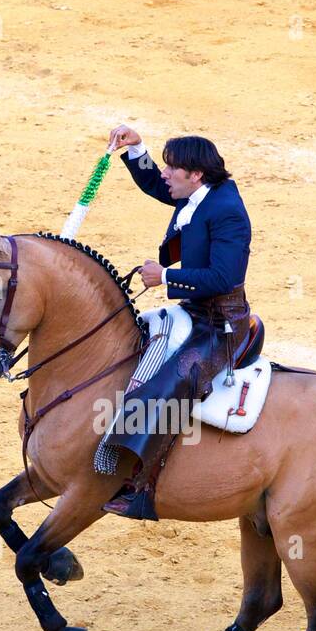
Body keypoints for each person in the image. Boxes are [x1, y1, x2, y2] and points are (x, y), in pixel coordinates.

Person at [101, 124, 253, 520]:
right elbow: (157, 185)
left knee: (168, 385)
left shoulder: (228, 213)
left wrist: (165, 277)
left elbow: (224, 278)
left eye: (173, 169)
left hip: (220, 322)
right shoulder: (200, 194)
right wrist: (137, 150)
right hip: (194, 310)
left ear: (196, 175)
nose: (165, 175)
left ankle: (142, 485)